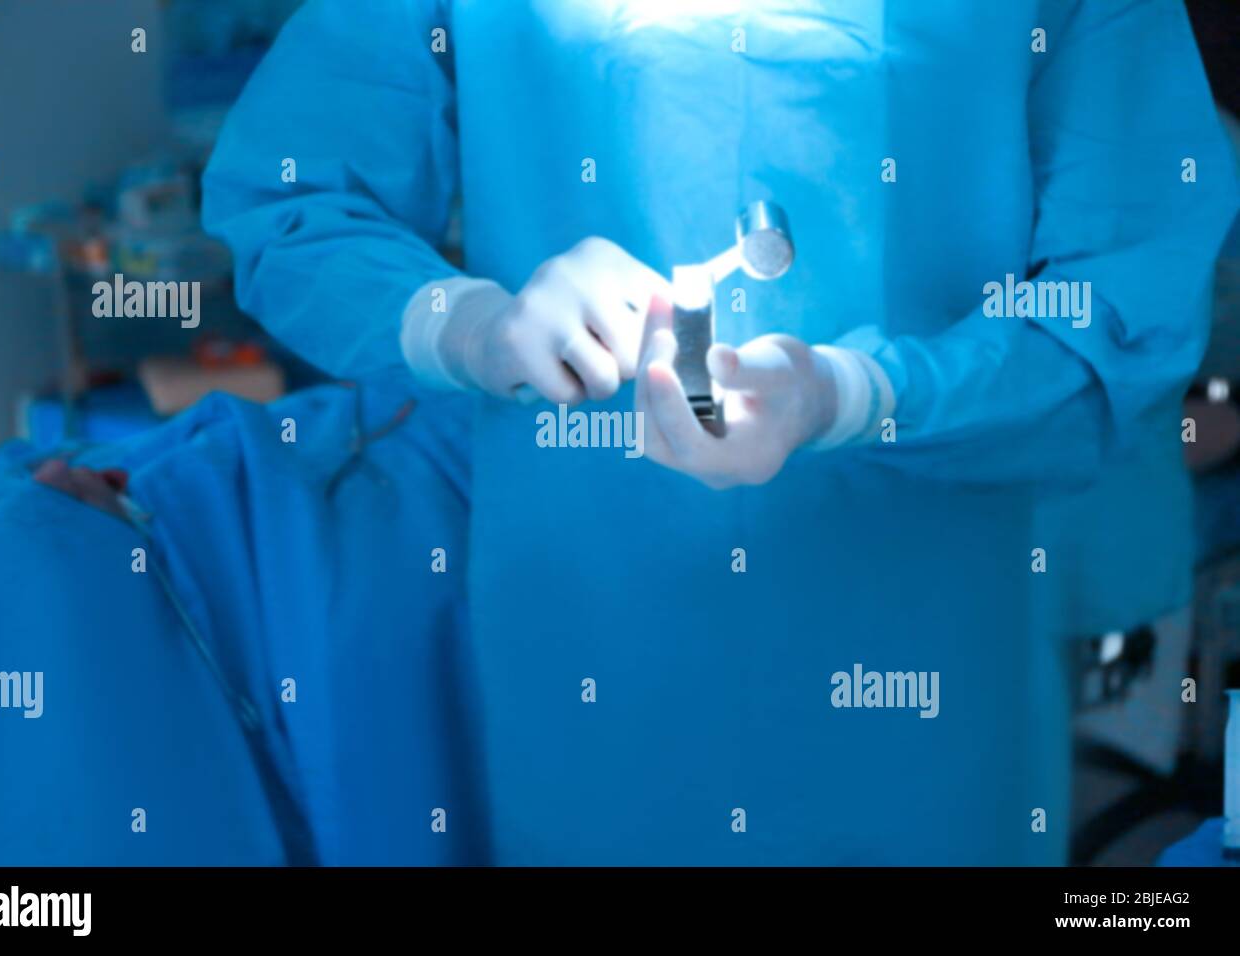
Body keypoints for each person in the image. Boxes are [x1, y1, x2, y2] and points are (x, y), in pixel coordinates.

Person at [203, 0, 1239, 864]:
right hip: (596, 643)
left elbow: (1120, 297)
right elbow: (295, 196)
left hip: (925, 653)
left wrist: (860, 391)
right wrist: (473, 324)